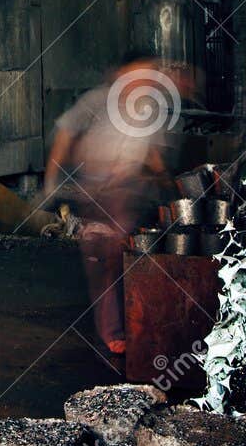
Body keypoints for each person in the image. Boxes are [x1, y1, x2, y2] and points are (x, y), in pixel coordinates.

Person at [42, 50, 188, 357]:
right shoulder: (98, 101)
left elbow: (150, 153)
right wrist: (52, 179)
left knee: (132, 259)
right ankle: (113, 333)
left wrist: (169, 184)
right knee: (104, 263)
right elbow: (66, 133)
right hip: (97, 192)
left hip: (130, 192)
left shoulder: (148, 108)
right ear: (122, 73)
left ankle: (139, 325)